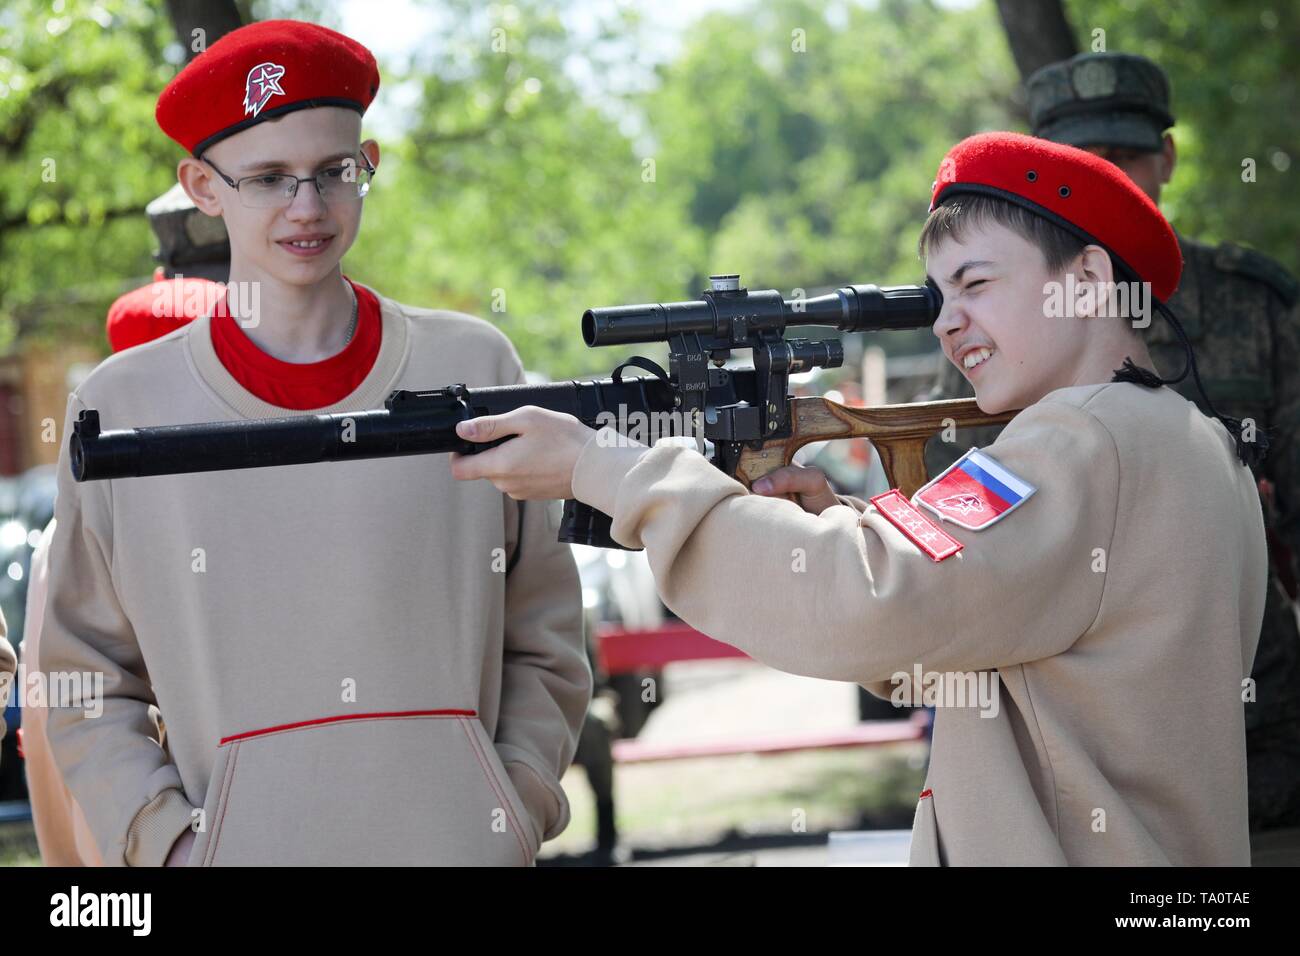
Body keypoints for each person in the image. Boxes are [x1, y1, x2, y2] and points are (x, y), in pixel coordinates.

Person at [449, 131, 1267, 865]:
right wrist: (839, 527)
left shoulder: (1077, 439)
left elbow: (874, 601)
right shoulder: (1189, 440)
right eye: (938, 297)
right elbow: (970, 635)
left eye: (976, 282)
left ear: (1087, 280)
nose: (949, 323)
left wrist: (610, 470)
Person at [39, 19, 589, 866]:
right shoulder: (121, 407)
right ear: (202, 187)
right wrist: (169, 845)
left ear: (366, 166)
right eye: (268, 178)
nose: (309, 207)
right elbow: (81, 678)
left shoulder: (474, 364)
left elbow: (544, 629)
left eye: (335, 171)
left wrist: (511, 803)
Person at [928, 51, 1300, 835]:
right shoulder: (994, 317)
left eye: (1124, 154)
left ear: (1165, 156)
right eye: (1081, 157)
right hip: (1070, 721)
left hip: (1256, 714)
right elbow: (941, 513)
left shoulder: (1252, 299)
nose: (1103, 172)